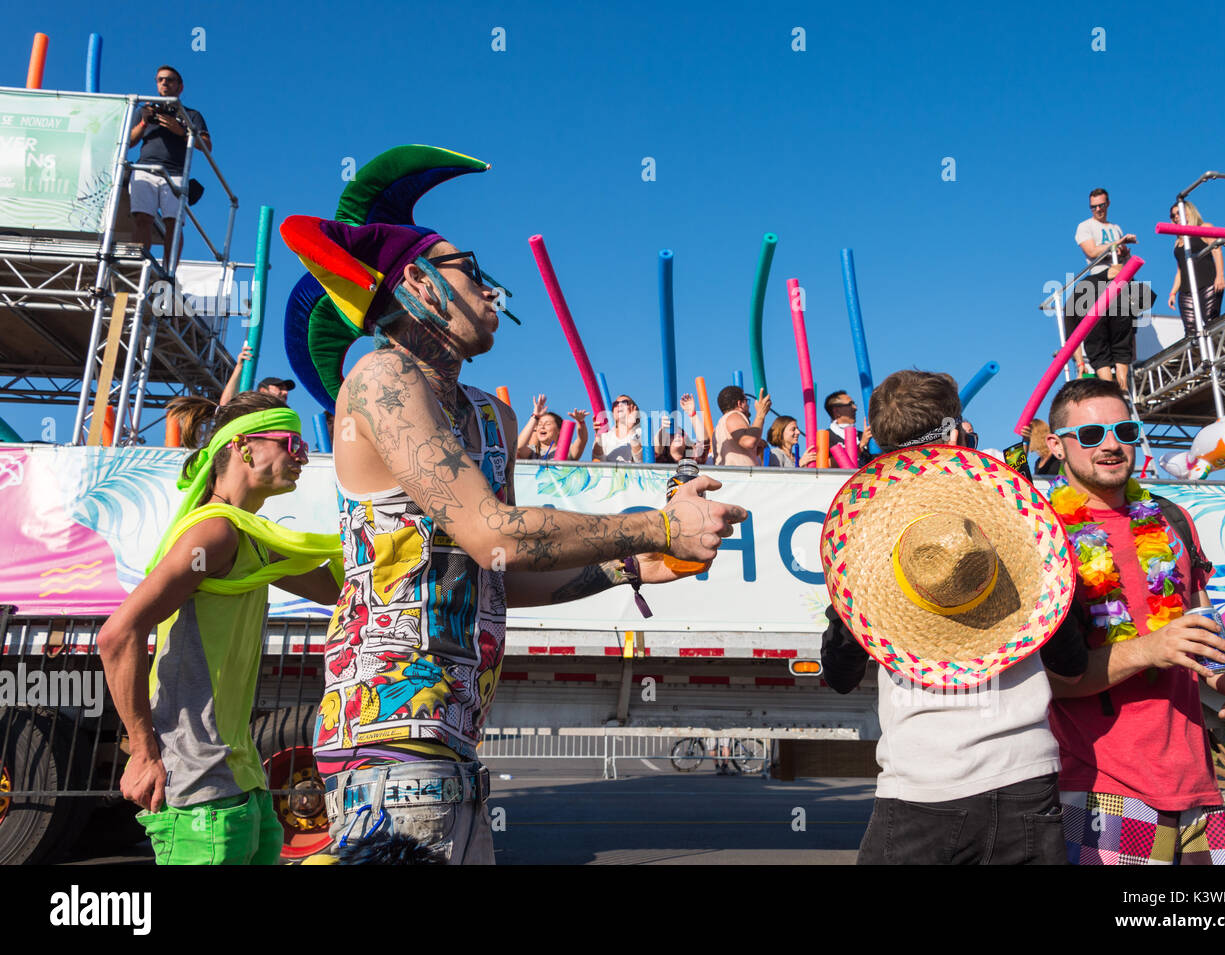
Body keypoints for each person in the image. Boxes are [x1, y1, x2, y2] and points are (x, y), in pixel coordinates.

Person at [279, 171, 747, 864]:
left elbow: (494, 569)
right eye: (470, 271)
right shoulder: (381, 378)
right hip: (390, 738)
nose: (491, 290)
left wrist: (630, 565)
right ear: (418, 283)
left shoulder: (489, 416)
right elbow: (491, 529)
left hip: (458, 739)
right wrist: (655, 525)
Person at [821, 369, 1084, 865]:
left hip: (921, 785)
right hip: (1025, 778)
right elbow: (1070, 661)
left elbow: (840, 675)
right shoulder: (1015, 516)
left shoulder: (871, 541)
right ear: (955, 431)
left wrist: (853, 596)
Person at [1039, 377, 1225, 865]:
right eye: (1089, 435)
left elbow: (1205, 630)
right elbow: (1041, 682)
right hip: (1103, 785)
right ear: (1055, 446)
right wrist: (1150, 648)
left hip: (1195, 784)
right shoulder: (1043, 532)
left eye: (1123, 430)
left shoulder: (1172, 519)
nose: (1110, 445)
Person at [97, 391, 344, 864]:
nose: (305, 454)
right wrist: (143, 752)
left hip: (242, 784)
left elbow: (336, 588)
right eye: (291, 442)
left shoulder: (250, 534)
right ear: (245, 446)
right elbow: (117, 635)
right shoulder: (215, 532)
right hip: (200, 796)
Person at [128, 65, 211, 256]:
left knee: (173, 223)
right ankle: (141, 264)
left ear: (180, 87)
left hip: (175, 173)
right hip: (145, 169)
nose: (164, 82)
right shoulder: (144, 110)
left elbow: (207, 145)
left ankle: (169, 271)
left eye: (170, 79)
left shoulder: (191, 115)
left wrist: (182, 132)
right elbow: (129, 141)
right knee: (142, 218)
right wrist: (143, 122)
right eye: (160, 79)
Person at [1071, 188, 1139, 391]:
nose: (1098, 210)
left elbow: (1121, 256)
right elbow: (1091, 252)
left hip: (1120, 279)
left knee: (1122, 332)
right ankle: (1109, 387)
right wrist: (1116, 244)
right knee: (1097, 332)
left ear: (1108, 204)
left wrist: (1124, 250)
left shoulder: (1115, 227)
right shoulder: (1085, 226)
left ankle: (1122, 387)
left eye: (1101, 205)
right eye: (1093, 207)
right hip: (1098, 280)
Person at [1166, 201, 1225, 337]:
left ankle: (1217, 354)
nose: (1176, 217)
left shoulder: (1204, 227)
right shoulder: (1178, 241)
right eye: (1173, 215)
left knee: (1211, 322)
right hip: (1186, 290)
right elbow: (1180, 270)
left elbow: (1217, 251)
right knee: (1191, 331)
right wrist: (1173, 293)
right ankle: (1201, 358)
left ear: (1189, 211)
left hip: (1208, 283)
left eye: (1179, 213)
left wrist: (1220, 276)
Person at [516, 394, 588, 461]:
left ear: (559, 430)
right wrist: (535, 416)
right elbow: (519, 447)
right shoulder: (532, 451)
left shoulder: (567, 450)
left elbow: (582, 440)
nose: (542, 427)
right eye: (540, 424)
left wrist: (580, 422)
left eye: (548, 424)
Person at [218, 346, 295, 406]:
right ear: (263, 390)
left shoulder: (285, 416)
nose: (285, 392)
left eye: (286, 390)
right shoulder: (252, 408)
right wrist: (239, 366)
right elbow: (225, 406)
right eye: (280, 388)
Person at [713, 385, 770, 466]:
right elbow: (749, 441)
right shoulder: (734, 415)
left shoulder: (719, 426)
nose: (748, 406)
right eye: (746, 401)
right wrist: (761, 414)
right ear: (740, 403)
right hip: (739, 477)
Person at [592, 393, 642, 462]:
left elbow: (641, 461)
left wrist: (631, 429)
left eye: (624, 402)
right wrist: (598, 436)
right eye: (615, 404)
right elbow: (597, 462)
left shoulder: (640, 433)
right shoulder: (605, 437)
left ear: (633, 408)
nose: (619, 405)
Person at [823, 391, 869, 465]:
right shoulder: (825, 437)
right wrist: (860, 447)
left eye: (854, 404)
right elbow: (824, 465)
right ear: (836, 411)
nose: (855, 408)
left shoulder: (864, 436)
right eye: (850, 404)